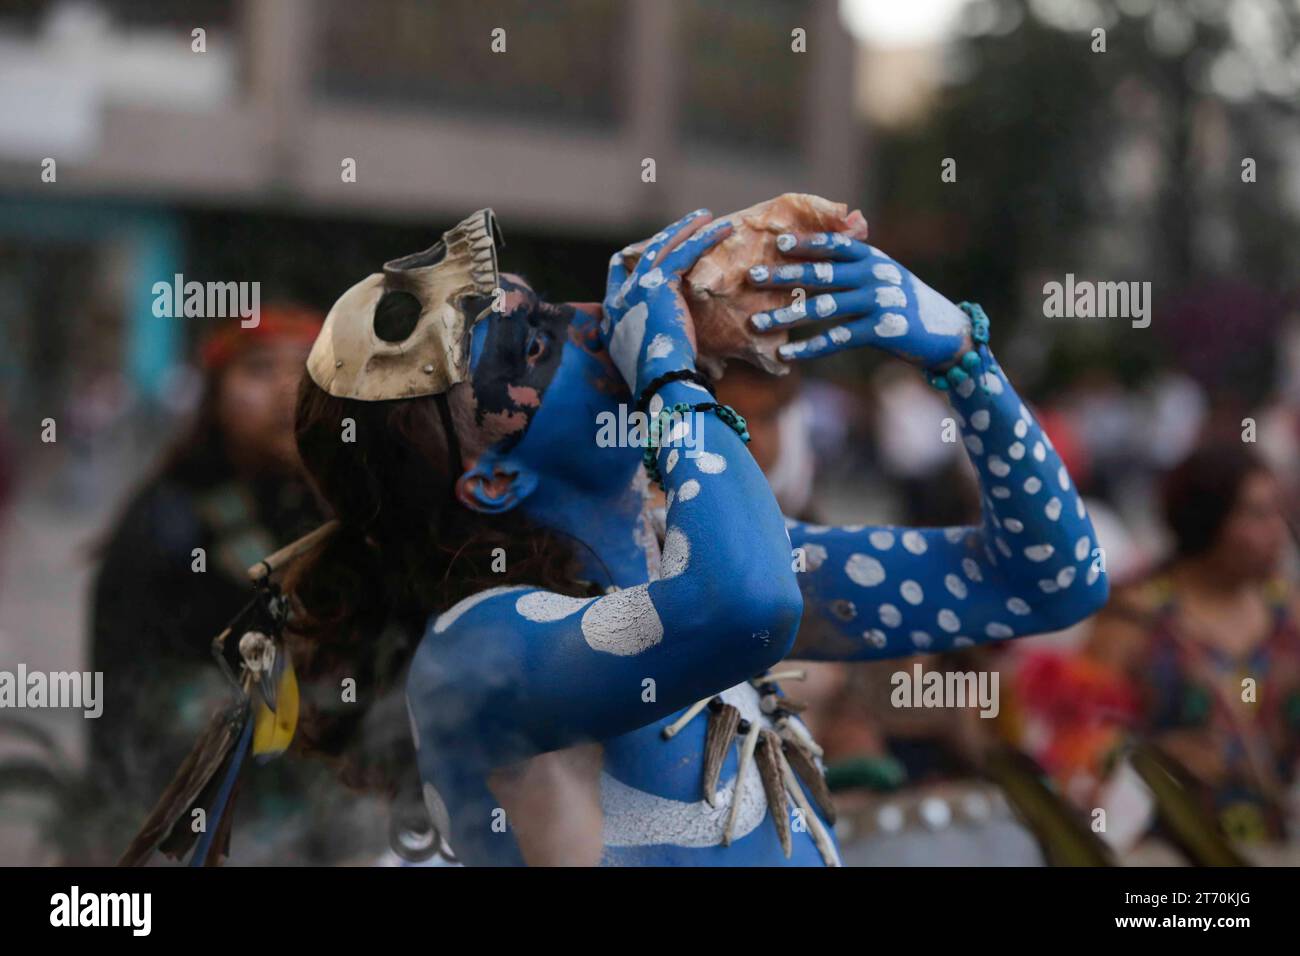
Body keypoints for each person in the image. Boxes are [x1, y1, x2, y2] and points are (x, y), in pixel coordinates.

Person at [285, 207, 1108, 866]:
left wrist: (964, 360)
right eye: (536, 344)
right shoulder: (477, 652)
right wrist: (669, 377)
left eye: (552, 305)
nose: (590, 320)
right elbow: (744, 605)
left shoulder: (670, 558)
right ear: (494, 480)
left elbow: (1048, 581)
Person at [86, 305, 345, 861]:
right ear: (212, 396)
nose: (286, 388)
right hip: (196, 784)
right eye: (258, 369)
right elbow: (119, 678)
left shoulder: (338, 509)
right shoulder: (168, 516)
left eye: (305, 370)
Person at [1085, 442, 1300, 844]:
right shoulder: (1135, 618)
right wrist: (1158, 757)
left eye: (1278, 511)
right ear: (1206, 520)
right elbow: (1079, 742)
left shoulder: (1289, 613)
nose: (1278, 531)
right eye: (1257, 514)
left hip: (1274, 846)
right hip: (1160, 854)